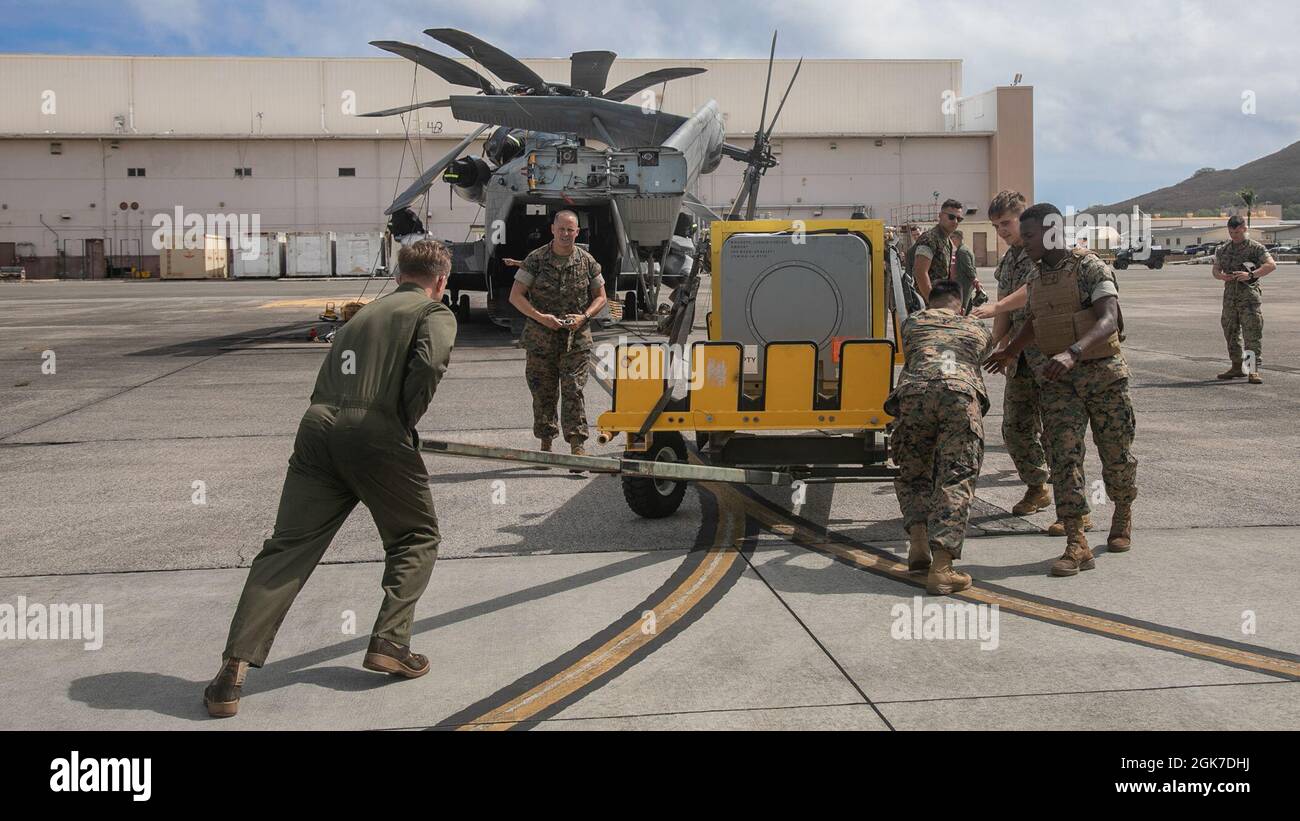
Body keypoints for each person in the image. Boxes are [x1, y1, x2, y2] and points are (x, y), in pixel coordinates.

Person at [204, 240, 459, 717]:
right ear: (440, 280)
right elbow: (429, 365)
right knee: (416, 535)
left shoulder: (359, 315)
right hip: (375, 431)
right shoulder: (433, 314)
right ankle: (390, 641)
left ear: (399, 271)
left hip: (317, 429)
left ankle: (231, 671)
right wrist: (403, 420)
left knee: (287, 549)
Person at [987, 203, 1137, 577]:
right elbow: (1038, 321)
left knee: (1115, 455)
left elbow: (1109, 319)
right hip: (1059, 382)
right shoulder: (1036, 277)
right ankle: (1076, 541)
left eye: (1031, 236)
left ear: (1052, 232)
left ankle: (1122, 509)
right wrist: (1009, 351)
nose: (1025, 244)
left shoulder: (1090, 268)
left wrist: (1073, 352)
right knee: (1064, 458)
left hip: (1102, 377)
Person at [886, 279, 993, 595]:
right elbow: (987, 346)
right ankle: (942, 569)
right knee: (955, 477)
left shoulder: (912, 323)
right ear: (959, 304)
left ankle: (918, 544)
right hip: (958, 397)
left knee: (913, 473)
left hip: (913, 395)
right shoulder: (973, 326)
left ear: (930, 302)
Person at [974, 191, 1054, 523]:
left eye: (1006, 223)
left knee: (1058, 430)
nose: (1002, 231)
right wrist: (993, 344)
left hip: (1050, 353)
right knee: (1015, 428)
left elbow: (1032, 291)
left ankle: (1072, 505)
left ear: (1024, 215)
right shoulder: (1008, 260)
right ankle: (1038, 486)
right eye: (996, 226)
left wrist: (997, 307)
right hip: (1019, 357)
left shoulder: (1045, 251)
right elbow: (1004, 305)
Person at [507, 211, 608, 461]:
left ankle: (577, 445)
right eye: (561, 229)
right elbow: (516, 296)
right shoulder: (536, 260)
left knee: (574, 391)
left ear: (577, 232)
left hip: (576, 340)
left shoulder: (587, 261)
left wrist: (584, 317)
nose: (565, 234)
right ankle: (545, 443)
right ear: (552, 229)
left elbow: (601, 297)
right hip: (541, 340)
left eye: (570, 230)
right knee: (543, 392)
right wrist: (541, 317)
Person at [1213, 215, 1276, 384]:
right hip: (1230, 299)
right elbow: (1215, 270)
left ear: (1245, 229)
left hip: (1249, 299)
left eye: (1237, 232)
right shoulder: (1223, 249)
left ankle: (1252, 370)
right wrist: (1221, 276)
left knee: (1251, 333)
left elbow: (1271, 265)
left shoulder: (1255, 248)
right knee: (1231, 332)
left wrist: (1250, 275)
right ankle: (1236, 366)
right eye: (1231, 232)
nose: (1234, 235)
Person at [910, 199, 963, 300]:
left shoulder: (947, 241)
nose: (955, 221)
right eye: (951, 217)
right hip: (927, 303)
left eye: (959, 219)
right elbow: (920, 272)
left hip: (941, 300)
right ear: (940, 215)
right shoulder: (929, 239)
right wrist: (932, 301)